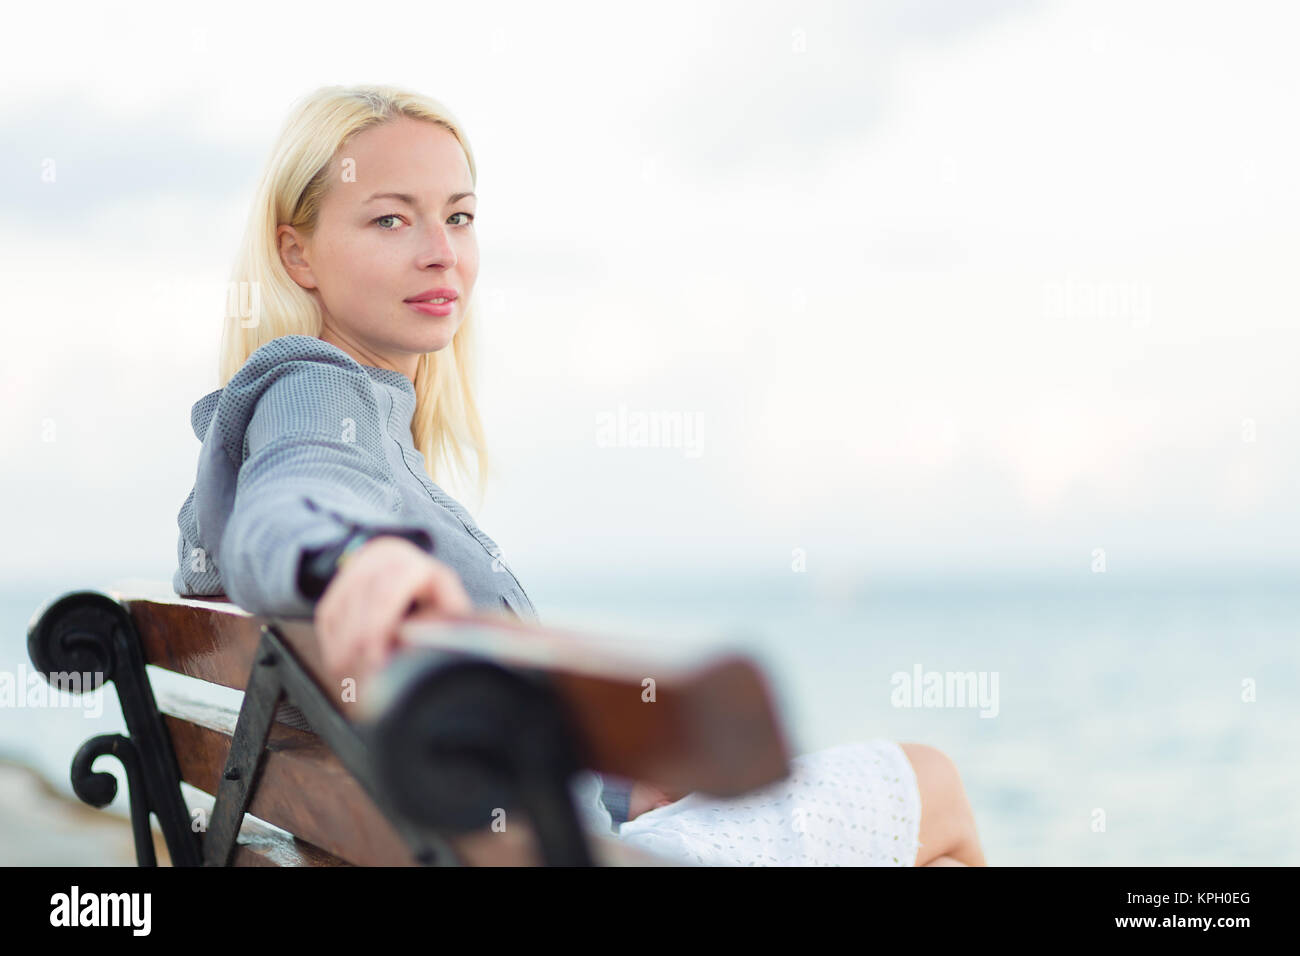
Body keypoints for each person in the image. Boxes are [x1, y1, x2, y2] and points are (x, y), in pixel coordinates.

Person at [172, 83, 986, 867]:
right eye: (391, 220)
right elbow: (291, 503)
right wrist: (349, 560)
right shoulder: (313, 392)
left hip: (509, 834)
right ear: (297, 254)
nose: (442, 253)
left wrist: (624, 785)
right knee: (933, 785)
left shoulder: (347, 417)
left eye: (459, 217)